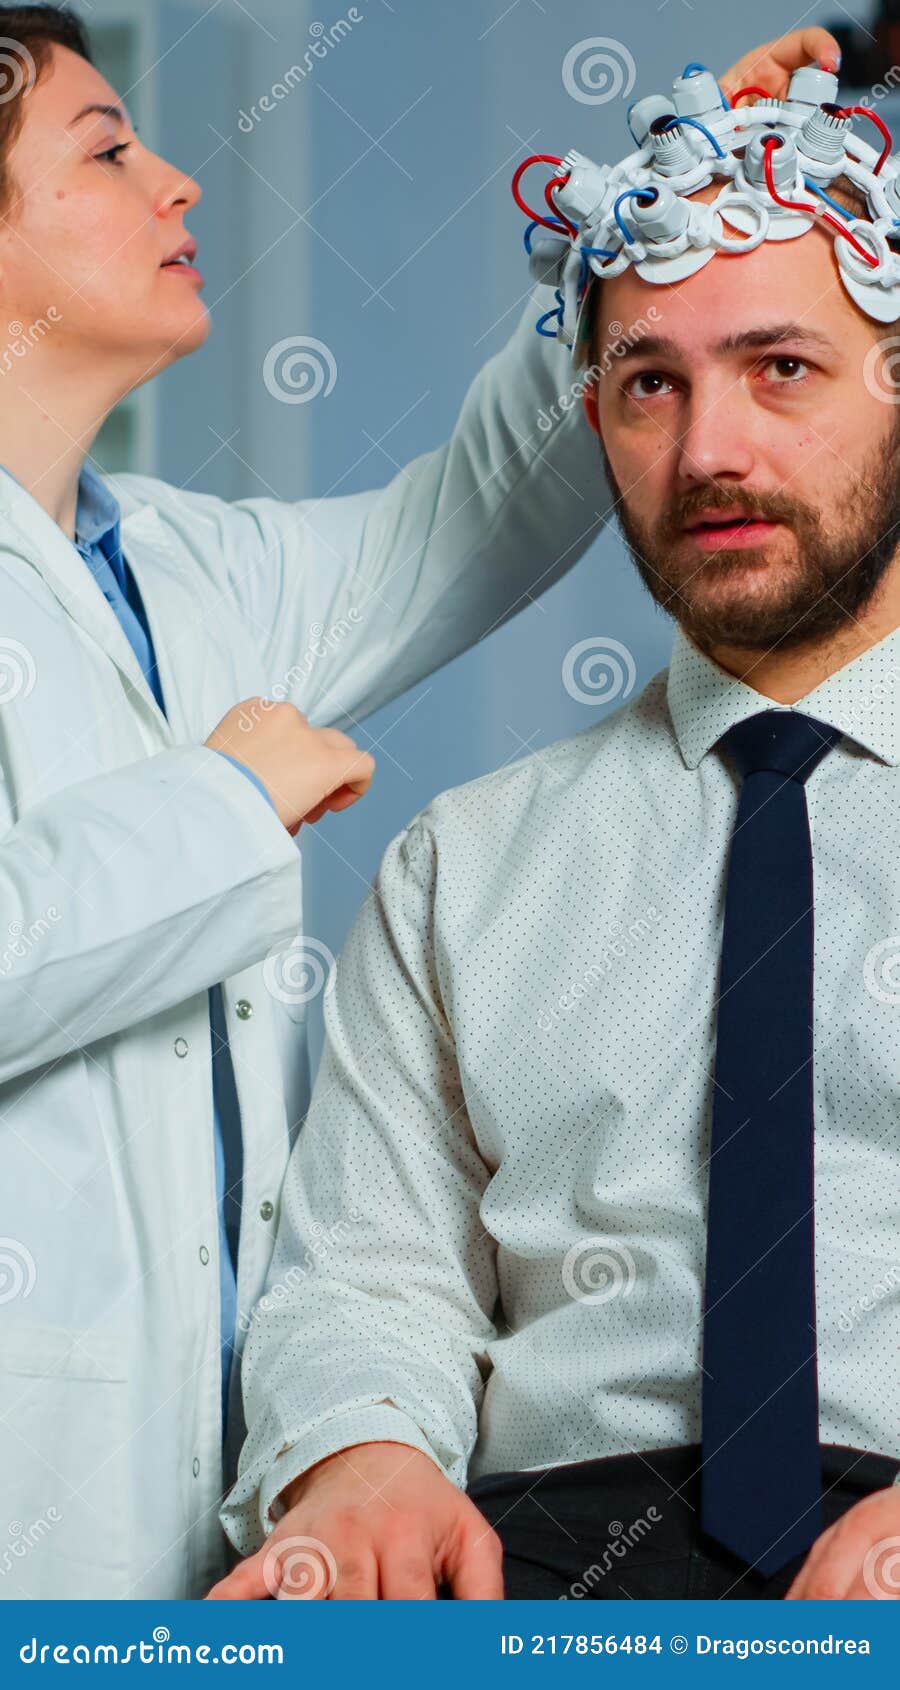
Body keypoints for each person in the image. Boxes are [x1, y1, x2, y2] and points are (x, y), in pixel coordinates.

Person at [211, 39, 900, 1604]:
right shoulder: (468, 860)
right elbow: (370, 1273)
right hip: (537, 1571)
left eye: (781, 367)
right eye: (652, 382)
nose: (710, 448)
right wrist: (362, 1453)